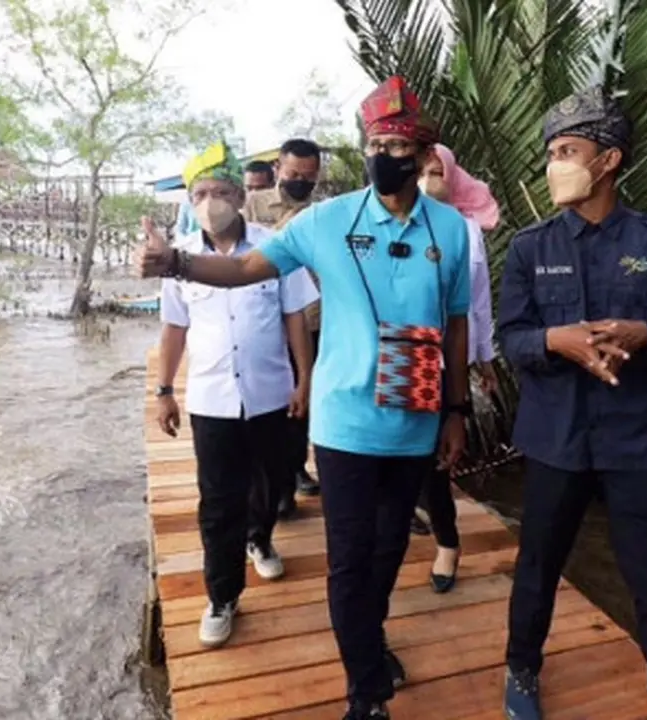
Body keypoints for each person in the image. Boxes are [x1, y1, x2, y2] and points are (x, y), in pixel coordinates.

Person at [137, 76, 471, 720]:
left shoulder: (453, 231)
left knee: (390, 549)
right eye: (375, 141)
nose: (385, 153)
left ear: (424, 153)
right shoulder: (326, 221)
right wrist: (175, 263)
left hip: (416, 419)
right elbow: (240, 271)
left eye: (398, 143)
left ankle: (368, 643)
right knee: (349, 559)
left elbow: (456, 325)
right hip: (345, 425)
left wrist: (458, 411)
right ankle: (365, 692)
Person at [497, 86, 647, 720]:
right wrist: (554, 341)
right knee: (536, 567)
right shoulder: (532, 247)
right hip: (554, 440)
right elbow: (509, 339)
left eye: (567, 149)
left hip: (634, 442)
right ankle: (521, 671)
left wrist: (646, 334)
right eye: (550, 151)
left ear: (608, 159)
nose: (553, 162)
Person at [154, 140, 319, 649]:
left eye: (222, 190)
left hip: (272, 392)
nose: (212, 201)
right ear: (189, 200)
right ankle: (221, 596)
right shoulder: (178, 260)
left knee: (270, 484)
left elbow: (295, 316)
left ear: (240, 196)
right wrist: (164, 390)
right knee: (218, 501)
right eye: (201, 192)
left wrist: (304, 380)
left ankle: (260, 537)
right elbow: (173, 329)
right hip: (212, 399)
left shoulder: (275, 247)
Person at [414, 143, 500, 592]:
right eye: (421, 171)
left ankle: (448, 543)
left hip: (447, 359)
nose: (430, 181)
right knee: (399, 451)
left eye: (436, 171)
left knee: (437, 460)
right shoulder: (396, 226)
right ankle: (411, 510)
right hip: (401, 356)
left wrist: (485, 358)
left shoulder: (467, 231)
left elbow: (478, 301)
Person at [243, 138, 326, 510]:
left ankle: (296, 468)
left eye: (309, 177)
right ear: (278, 168)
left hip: (312, 320)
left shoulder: (324, 214)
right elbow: (244, 256)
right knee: (269, 404)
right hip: (265, 322)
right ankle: (273, 485)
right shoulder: (251, 206)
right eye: (294, 174)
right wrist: (286, 228)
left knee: (304, 397)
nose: (300, 183)